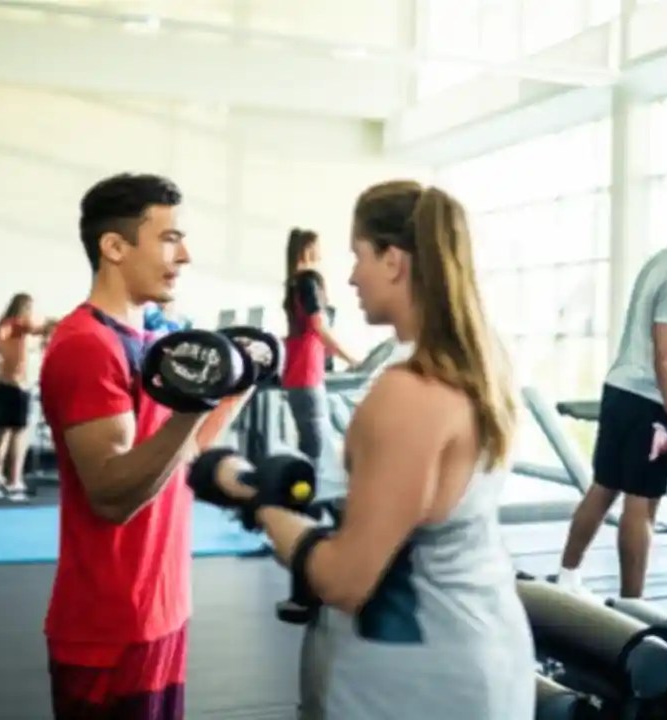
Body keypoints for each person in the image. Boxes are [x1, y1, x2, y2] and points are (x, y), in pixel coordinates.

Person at [197, 180, 536, 719]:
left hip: (415, 673)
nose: (351, 277)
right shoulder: (484, 359)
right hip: (482, 644)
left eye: (359, 257)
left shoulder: (410, 389)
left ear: (394, 259)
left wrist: (263, 506)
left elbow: (345, 578)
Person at [39, 173, 250, 720]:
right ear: (114, 247)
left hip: (163, 606)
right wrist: (192, 406)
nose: (184, 255)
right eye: (169, 238)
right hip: (109, 626)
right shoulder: (87, 347)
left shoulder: (152, 339)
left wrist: (238, 387)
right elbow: (111, 496)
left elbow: (183, 452)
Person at [555, 204, 667, 600]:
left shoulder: (659, 262)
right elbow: (666, 355)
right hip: (647, 400)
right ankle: (633, 602)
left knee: (603, 488)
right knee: (643, 503)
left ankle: (567, 577)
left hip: (619, 390)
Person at [280, 227, 359, 498]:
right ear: (308, 249)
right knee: (314, 447)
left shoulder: (292, 283)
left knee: (310, 443)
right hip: (307, 372)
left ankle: (302, 499)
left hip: (298, 371)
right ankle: (303, 501)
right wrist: (351, 358)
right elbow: (319, 327)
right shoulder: (308, 281)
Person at [0, 293, 55, 501]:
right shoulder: (17, 325)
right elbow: (39, 327)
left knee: (3, 433)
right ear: (24, 309)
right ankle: (14, 481)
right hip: (16, 386)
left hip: (3, 383)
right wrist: (58, 323)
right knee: (18, 434)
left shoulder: (6, 326)